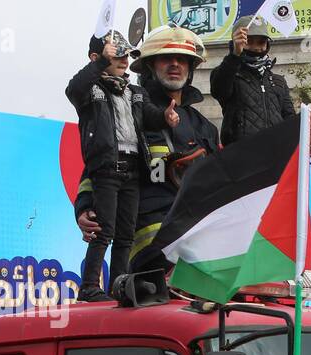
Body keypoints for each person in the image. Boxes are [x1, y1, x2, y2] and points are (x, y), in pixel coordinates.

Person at [77, 27, 219, 273]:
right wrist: (85, 206)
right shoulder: (129, 109)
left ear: (191, 68)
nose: (175, 64)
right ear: (150, 67)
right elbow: (101, 163)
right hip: (149, 243)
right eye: (166, 58)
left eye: (182, 59)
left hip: (197, 240)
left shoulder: (204, 127)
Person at [66, 30, 175, 301]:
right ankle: (90, 287)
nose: (125, 60)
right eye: (119, 55)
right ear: (97, 58)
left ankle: (118, 286)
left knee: (126, 234)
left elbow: (150, 115)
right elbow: (73, 88)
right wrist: (101, 62)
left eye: (127, 55)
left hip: (133, 168)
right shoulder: (89, 91)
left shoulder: (135, 91)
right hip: (106, 168)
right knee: (104, 231)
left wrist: (166, 116)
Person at [210, 21, 296, 146]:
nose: (256, 47)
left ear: (267, 44)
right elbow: (218, 91)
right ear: (237, 42)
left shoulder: (278, 81)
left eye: (261, 42)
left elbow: (289, 119)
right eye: (249, 41)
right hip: (241, 155)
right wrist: (234, 55)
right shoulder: (229, 74)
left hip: (275, 154)